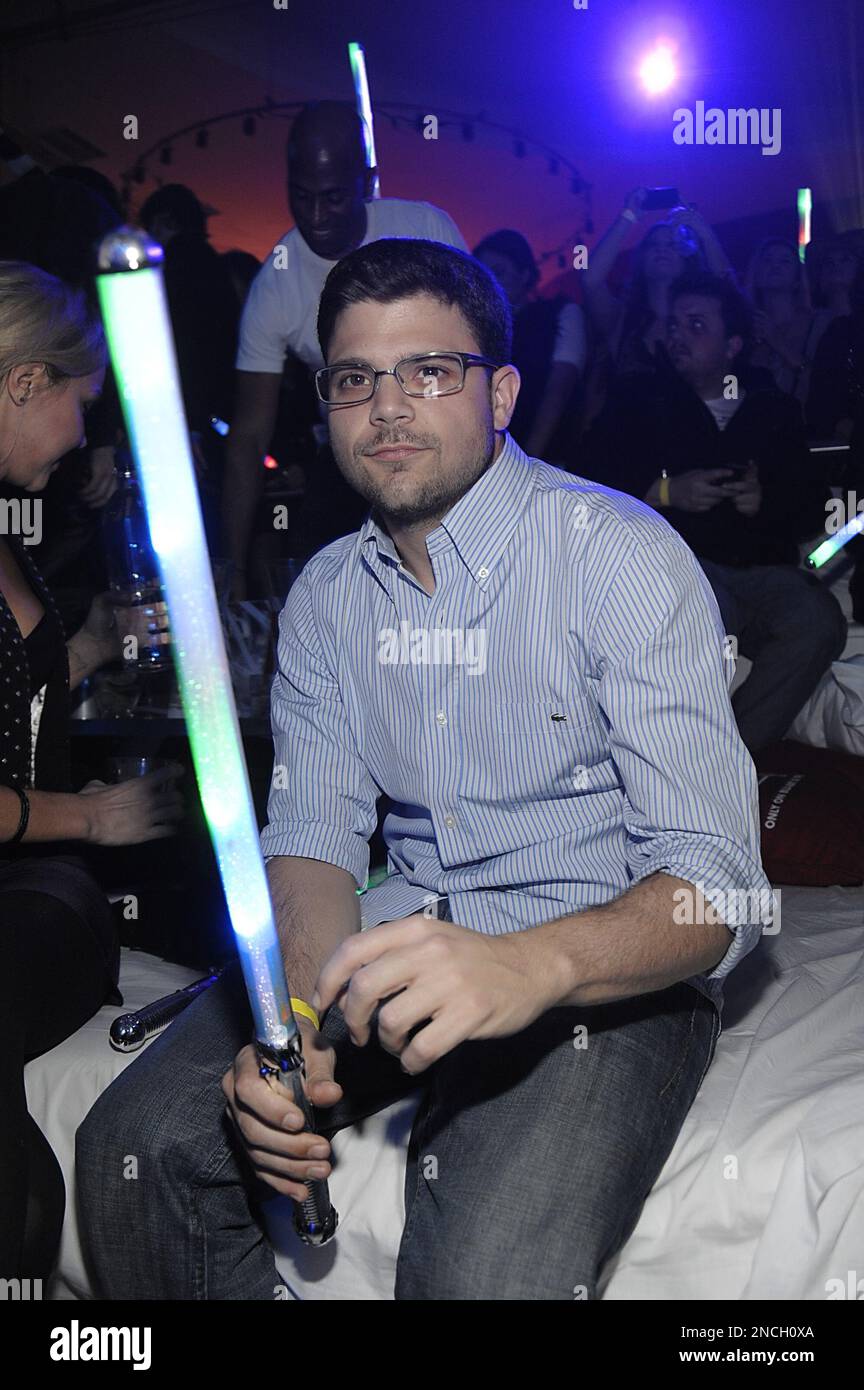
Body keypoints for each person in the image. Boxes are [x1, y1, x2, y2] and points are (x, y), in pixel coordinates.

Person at [78, 239, 771, 1302]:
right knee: (136, 1148)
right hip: (395, 946)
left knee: (484, 1270)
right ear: (326, 407)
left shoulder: (616, 556)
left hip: (605, 968)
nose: (388, 408)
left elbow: (718, 883)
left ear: (500, 392)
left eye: (428, 372)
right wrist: (294, 1025)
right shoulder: (324, 600)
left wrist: (528, 965)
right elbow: (312, 842)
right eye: (356, 380)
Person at [0, 262, 184, 1282]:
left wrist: (92, 644)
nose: (82, 435)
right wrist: (89, 815)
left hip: (36, 892)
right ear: (27, 382)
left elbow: (12, 685)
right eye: (80, 401)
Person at [584, 270, 846, 752]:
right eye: (675, 324)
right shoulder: (639, 399)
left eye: (697, 325)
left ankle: (734, 759)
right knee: (707, 613)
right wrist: (663, 491)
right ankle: (671, 757)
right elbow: (583, 478)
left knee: (818, 619)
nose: (678, 335)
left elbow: (812, 506)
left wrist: (764, 499)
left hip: (762, 568)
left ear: (733, 346)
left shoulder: (773, 408)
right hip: (677, 564)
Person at [224, 100, 468, 592]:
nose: (315, 216)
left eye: (333, 197)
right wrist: (226, 566)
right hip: (356, 456)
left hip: (450, 443)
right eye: (301, 195)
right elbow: (249, 436)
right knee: (328, 580)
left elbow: (486, 361)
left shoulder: (427, 232)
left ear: (367, 180)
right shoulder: (275, 285)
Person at [583, 186, 732, 379]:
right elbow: (590, 280)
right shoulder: (622, 318)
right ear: (641, 260)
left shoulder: (706, 317)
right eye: (653, 245)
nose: (661, 250)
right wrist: (629, 215)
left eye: (671, 244)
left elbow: (728, 287)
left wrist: (703, 232)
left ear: (687, 257)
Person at [473, 229, 585, 462]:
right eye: (484, 274)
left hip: (548, 455)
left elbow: (559, 390)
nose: (491, 282)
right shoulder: (476, 325)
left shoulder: (560, 313)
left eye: (499, 272)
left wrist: (529, 457)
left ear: (524, 274)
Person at [744, 237, 827, 404]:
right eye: (767, 260)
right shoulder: (744, 328)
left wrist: (776, 341)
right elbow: (729, 380)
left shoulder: (819, 322)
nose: (775, 266)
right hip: (751, 423)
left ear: (797, 278)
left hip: (805, 424)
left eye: (785, 261)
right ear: (756, 274)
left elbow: (828, 382)